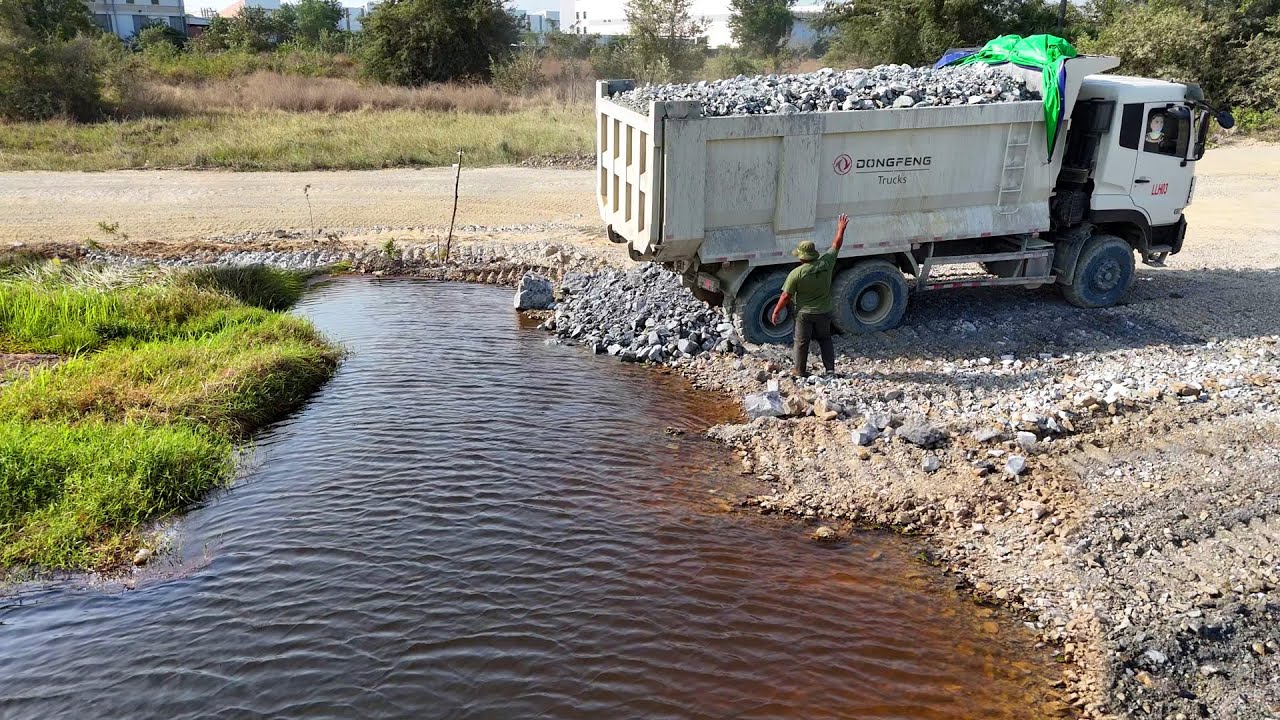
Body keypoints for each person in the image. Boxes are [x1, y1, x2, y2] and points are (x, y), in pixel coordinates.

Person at [770, 213, 848, 378]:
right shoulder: (826, 263)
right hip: (824, 312)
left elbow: (785, 296)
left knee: (801, 342)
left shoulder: (796, 274)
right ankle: (830, 370)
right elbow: (836, 245)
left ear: (800, 257)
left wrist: (776, 311)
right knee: (825, 339)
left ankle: (799, 371)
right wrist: (841, 229)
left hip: (804, 314)